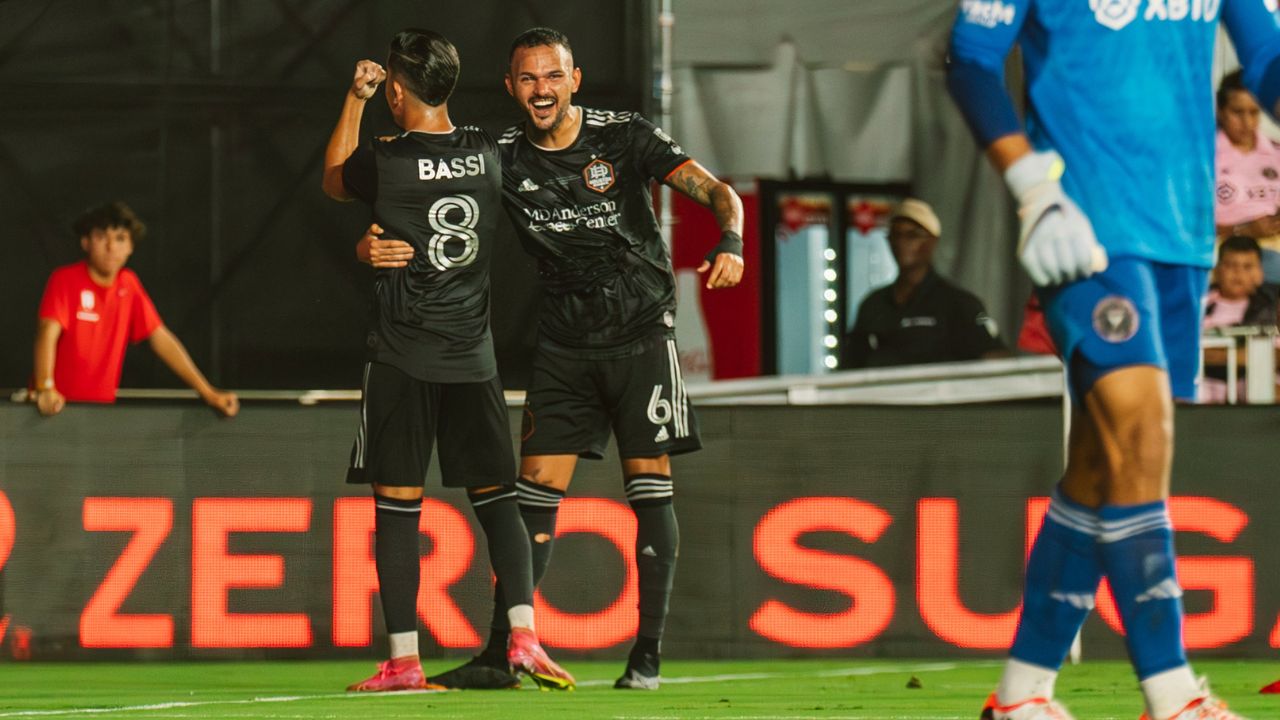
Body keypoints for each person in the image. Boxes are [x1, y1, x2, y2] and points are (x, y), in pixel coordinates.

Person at [360, 26, 744, 691]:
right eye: (528, 79)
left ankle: (646, 657)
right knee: (531, 498)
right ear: (510, 88)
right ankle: (504, 651)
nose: (542, 90)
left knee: (648, 488)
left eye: (552, 76)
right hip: (564, 346)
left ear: (575, 79)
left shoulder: (625, 136)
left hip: (640, 336)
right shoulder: (499, 155)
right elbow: (430, 204)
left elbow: (718, 192)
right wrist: (372, 243)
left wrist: (731, 240)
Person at [947, 1, 1280, 718]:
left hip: (1185, 240)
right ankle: (1172, 692)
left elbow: (1265, 61)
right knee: (1141, 430)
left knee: (1103, 465)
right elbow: (971, 60)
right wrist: (1031, 187)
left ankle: (1020, 695)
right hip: (1085, 230)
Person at [322, 28, 572, 693]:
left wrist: (353, 100)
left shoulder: (386, 157)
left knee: (398, 507)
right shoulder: (490, 153)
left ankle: (404, 661)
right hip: (474, 357)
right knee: (498, 502)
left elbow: (333, 180)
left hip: (404, 355)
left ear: (396, 93)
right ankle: (522, 636)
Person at [31, 201, 238, 418]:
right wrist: (45, 387)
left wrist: (208, 393)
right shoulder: (64, 279)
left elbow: (161, 338)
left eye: (120, 238)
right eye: (101, 237)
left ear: (131, 247)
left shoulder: (129, 285)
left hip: (99, 417)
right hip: (52, 412)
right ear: (86, 242)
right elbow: (47, 332)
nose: (111, 247)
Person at [840, 198, 1007, 368]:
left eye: (912, 235)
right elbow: (851, 365)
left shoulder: (961, 304)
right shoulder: (873, 305)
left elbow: (994, 356)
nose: (901, 243)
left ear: (932, 241)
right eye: (895, 235)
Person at [1214, 70, 1280, 283]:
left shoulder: (1275, 152)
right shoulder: (1206, 158)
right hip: (1232, 252)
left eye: (1254, 112)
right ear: (1221, 111)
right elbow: (1190, 223)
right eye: (1238, 112)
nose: (1247, 122)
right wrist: (1243, 230)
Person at [1199, 235, 1279, 404]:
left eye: (1247, 266)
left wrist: (1216, 355)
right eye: (1230, 265)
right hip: (1206, 379)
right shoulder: (1199, 303)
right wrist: (1241, 356)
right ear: (1217, 271)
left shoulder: (1272, 305)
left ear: (1260, 273)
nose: (1238, 273)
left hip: (1254, 379)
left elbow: (1276, 355)